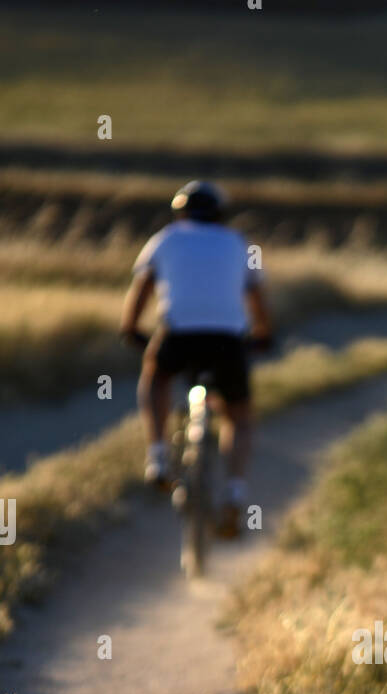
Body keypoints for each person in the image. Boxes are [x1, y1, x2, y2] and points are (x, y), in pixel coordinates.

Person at [120, 180, 272, 538]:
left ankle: (156, 456)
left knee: (157, 378)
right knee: (240, 416)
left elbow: (141, 289)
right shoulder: (239, 243)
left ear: (180, 211)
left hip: (178, 334)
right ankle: (235, 492)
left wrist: (130, 328)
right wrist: (264, 335)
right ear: (221, 214)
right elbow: (258, 299)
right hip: (228, 340)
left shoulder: (166, 238)